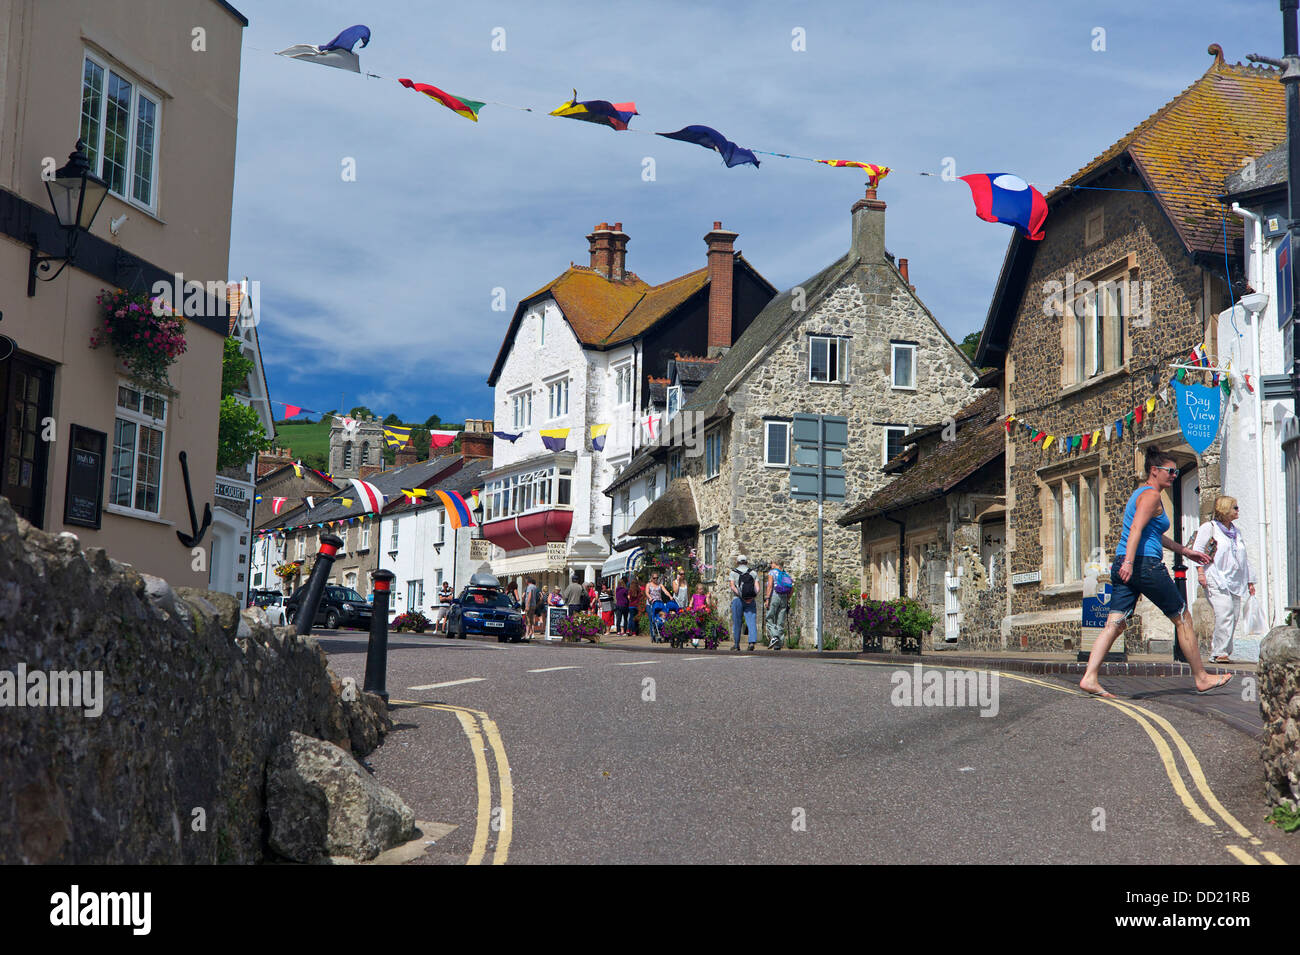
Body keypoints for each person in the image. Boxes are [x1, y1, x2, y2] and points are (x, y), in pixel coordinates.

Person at [1079, 447, 1231, 698]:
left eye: (1176, 471)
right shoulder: (1150, 496)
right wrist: (1130, 562)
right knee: (1182, 617)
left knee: (1115, 624)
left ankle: (1090, 676)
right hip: (1144, 565)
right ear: (1154, 471)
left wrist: (1185, 551)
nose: (1174, 475)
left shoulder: (1140, 494)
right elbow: (1137, 529)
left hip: (1125, 563)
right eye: (1170, 471)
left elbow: (1152, 534)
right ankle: (1201, 677)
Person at [1193, 496, 1258, 664]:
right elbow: (1197, 550)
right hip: (1215, 576)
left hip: (1235, 579)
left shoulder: (1236, 532)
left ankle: (1225, 651)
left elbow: (1244, 557)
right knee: (1225, 611)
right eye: (1235, 507)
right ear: (1225, 509)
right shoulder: (1210, 528)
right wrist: (1201, 573)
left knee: (1234, 614)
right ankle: (1218, 652)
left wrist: (1250, 581)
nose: (1238, 510)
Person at [729, 555, 760, 651]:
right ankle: (751, 642)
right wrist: (752, 597)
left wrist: (741, 596)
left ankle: (736, 644)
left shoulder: (733, 573)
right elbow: (758, 588)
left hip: (737, 599)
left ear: (737, 562)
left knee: (737, 622)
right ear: (746, 562)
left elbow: (732, 587)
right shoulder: (753, 572)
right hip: (750, 600)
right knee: (751, 621)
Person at [765, 557, 794, 650]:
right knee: (780, 621)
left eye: (771, 563)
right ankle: (778, 645)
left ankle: (775, 637)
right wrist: (788, 599)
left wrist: (767, 599)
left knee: (769, 618)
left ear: (775, 564)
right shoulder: (785, 574)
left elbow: (770, 586)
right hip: (784, 597)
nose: (770, 565)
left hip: (774, 596)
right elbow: (792, 588)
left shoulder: (772, 573)